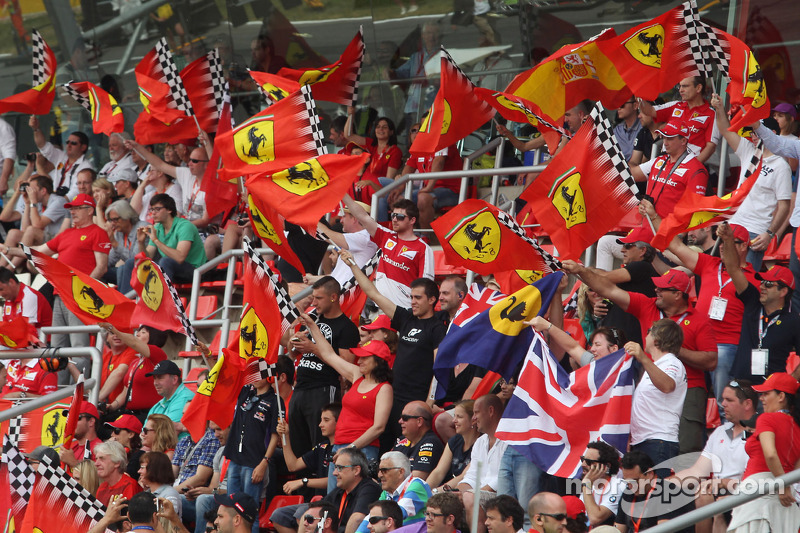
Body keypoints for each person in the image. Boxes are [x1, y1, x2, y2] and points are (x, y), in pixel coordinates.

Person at [563, 260, 715, 453]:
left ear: (677, 295)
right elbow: (608, 289)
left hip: (689, 389)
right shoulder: (647, 305)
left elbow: (711, 361)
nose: (656, 291)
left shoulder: (699, 320)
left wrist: (671, 347)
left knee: (685, 448)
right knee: (643, 447)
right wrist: (580, 271)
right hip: (648, 385)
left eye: (662, 289)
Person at [340, 248, 446, 440]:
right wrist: (352, 265)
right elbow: (373, 293)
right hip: (391, 394)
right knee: (384, 444)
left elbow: (439, 366)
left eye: (418, 298)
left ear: (432, 300)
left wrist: (429, 401)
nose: (412, 302)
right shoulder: (406, 319)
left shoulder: (437, 328)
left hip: (416, 399)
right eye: (411, 297)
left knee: (406, 448)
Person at [1, 193, 110, 365]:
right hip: (59, 294)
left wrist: (82, 290)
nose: (72, 212)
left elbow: (101, 266)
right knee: (57, 349)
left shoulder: (98, 233)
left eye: (77, 208)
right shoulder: (66, 233)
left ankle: (79, 390)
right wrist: (9, 250)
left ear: (90, 210)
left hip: (79, 297)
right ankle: (61, 389)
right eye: (71, 209)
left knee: (78, 347)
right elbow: (38, 251)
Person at [301, 313, 392, 491]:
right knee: (333, 500)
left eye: (365, 357)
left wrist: (350, 449)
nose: (360, 360)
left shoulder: (384, 388)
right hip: (341, 447)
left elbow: (379, 427)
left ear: (378, 362)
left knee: (353, 500)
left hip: (361, 450)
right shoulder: (357, 375)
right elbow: (328, 355)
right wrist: (313, 326)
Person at [711, 95, 791, 271]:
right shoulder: (749, 151)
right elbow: (725, 130)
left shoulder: (781, 166)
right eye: (754, 131)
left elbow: (784, 205)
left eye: (758, 131)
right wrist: (719, 109)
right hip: (733, 226)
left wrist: (769, 234)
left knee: (745, 280)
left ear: (773, 134)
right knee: (723, 275)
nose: (754, 135)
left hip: (755, 233)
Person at [285, 276, 360, 458]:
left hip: (324, 389)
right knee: (298, 448)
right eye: (313, 297)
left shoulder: (347, 327)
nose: (314, 302)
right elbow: (292, 351)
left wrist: (314, 349)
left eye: (319, 298)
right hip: (300, 387)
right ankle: (302, 485)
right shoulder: (313, 319)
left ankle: (319, 484)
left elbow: (346, 365)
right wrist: (294, 345)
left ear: (333, 297)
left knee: (320, 447)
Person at [718, 222, 800, 383]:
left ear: (783, 292)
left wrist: (789, 382)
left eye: (769, 284)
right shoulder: (752, 303)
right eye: (762, 282)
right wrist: (728, 240)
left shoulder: (793, 321)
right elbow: (733, 268)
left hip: (770, 392)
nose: (762, 287)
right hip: (741, 386)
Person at [673, 379, 756, 533]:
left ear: (747, 404)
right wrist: (665, 483)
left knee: (704, 494)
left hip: (746, 494)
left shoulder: (759, 434)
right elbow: (697, 472)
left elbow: (755, 483)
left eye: (729, 400)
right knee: (669, 494)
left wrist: (723, 483)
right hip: (717, 493)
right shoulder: (720, 432)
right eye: (723, 399)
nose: (723, 403)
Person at [729, 373, 800, 531]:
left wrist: (782, 486)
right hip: (786, 498)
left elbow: (770, 454)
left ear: (781, 396)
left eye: (766, 394)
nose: (761, 398)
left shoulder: (766, 419)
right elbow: (797, 470)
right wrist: (786, 486)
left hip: (758, 492)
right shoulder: (798, 426)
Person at [343, 195, 435, 308]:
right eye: (393, 215)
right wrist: (342, 194)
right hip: (377, 308)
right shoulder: (386, 235)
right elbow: (362, 217)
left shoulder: (424, 248)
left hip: (402, 309)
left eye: (400, 216)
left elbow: (426, 285)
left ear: (412, 220)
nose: (395, 219)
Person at [222, 371, 281, 532]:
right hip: (235, 459)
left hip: (254, 463)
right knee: (231, 509)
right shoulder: (245, 392)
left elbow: (276, 435)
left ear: (269, 376)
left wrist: (264, 462)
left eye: (258, 374)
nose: (254, 378)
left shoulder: (275, 401)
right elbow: (226, 378)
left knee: (249, 514)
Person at [624, 319, 688, 466]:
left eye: (648, 332)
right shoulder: (655, 366)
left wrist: (643, 358)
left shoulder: (672, 363)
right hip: (644, 441)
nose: (645, 337)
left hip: (659, 442)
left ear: (657, 339)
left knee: (657, 489)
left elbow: (667, 385)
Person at [120, 193, 207, 293]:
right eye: (151, 210)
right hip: (172, 269)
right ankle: (125, 304)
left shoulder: (185, 226)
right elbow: (148, 257)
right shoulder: (158, 228)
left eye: (157, 209)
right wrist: (141, 242)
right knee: (132, 263)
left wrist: (156, 241)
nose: (153, 213)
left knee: (165, 261)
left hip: (195, 270)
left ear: (169, 210)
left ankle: (163, 300)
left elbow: (180, 258)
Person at [271, 406, 338, 533]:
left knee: (301, 514)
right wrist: (285, 436)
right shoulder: (322, 447)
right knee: (278, 516)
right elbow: (293, 466)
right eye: (321, 420)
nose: (320, 424)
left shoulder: (343, 450)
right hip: (317, 503)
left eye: (326, 420)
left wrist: (303, 481)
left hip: (332, 504)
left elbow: (334, 480)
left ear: (339, 422)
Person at [127, 135, 213, 228]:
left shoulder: (213, 185)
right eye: (190, 160)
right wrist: (137, 147)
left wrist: (178, 226)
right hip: (183, 228)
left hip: (201, 232)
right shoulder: (186, 174)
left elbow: (205, 221)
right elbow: (160, 164)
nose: (189, 163)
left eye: (195, 161)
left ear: (207, 164)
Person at [628, 122, 708, 218]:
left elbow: (694, 210)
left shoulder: (696, 169)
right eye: (664, 137)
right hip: (647, 222)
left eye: (670, 138)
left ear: (683, 141)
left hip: (670, 229)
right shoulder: (659, 160)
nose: (665, 143)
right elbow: (631, 175)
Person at [639, 76, 719, 163]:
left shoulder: (712, 114)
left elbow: (711, 146)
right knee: (633, 173)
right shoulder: (675, 105)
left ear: (698, 88)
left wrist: (692, 167)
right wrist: (639, 95)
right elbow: (649, 111)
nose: (680, 90)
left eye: (685, 86)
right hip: (665, 160)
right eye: (680, 86)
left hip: (689, 163)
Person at [457, 394, 507, 533]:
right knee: (444, 501)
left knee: (471, 497)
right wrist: (459, 492)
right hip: (476, 493)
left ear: (491, 411)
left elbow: (502, 478)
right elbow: (472, 475)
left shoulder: (509, 440)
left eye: (476, 412)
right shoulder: (480, 442)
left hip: (501, 495)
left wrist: (471, 493)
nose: (473, 418)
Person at [100, 324, 168, 421]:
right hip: (130, 413)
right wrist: (111, 407)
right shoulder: (135, 361)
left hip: (150, 415)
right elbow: (126, 391)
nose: (138, 334)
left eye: (143, 332)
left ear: (154, 336)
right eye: (138, 331)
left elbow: (134, 343)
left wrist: (113, 329)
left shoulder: (157, 354)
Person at [613, 450, 694, 532]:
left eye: (635, 481)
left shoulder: (668, 492)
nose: (631, 486)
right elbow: (618, 528)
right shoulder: (628, 493)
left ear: (650, 474)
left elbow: (664, 530)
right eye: (627, 481)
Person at [2, 175, 68, 271]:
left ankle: (10, 269)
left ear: (43, 191)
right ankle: (1, 267)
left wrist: (33, 201)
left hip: (56, 240)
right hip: (43, 238)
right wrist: (28, 204)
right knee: (13, 233)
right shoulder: (38, 203)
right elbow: (24, 230)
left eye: (32, 189)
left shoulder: (58, 201)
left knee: (31, 230)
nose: (29, 192)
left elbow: (37, 225)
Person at [355, 452, 431, 533]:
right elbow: (371, 516)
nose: (379, 475)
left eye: (384, 470)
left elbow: (395, 514)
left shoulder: (417, 485)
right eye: (379, 470)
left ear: (400, 472)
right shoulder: (386, 492)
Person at [310, 201, 379, 287]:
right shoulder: (355, 240)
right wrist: (312, 279)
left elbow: (327, 235)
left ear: (354, 219)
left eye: (344, 216)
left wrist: (307, 218)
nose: (341, 221)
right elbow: (338, 277)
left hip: (345, 296)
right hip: (339, 293)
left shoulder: (365, 237)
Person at [29, 116, 94, 198]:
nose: (69, 145)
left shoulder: (86, 166)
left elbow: (75, 192)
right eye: (67, 142)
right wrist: (36, 129)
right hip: (55, 199)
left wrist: (58, 203)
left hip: (69, 204)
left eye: (73, 143)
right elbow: (43, 145)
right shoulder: (61, 156)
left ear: (83, 147)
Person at [324, 447, 382, 533]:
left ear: (356, 470)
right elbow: (317, 509)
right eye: (335, 468)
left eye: (339, 468)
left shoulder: (370, 488)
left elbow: (357, 519)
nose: (334, 473)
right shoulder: (340, 490)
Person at [527, 319, 625, 369]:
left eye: (598, 345)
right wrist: (547, 326)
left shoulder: (630, 371)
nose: (592, 349)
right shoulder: (593, 363)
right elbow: (573, 347)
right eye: (593, 344)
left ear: (614, 349)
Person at [426, 399, 478, 491]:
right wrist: (423, 490)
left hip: (464, 492)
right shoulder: (454, 440)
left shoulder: (481, 443)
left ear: (473, 420)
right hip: (447, 490)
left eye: (459, 417)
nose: (454, 420)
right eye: (454, 416)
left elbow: (463, 476)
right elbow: (439, 472)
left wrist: (435, 492)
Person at [393, 401, 445, 480]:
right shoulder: (401, 440)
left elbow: (415, 480)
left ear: (419, 421)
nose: (400, 421)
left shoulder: (431, 443)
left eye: (405, 418)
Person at [577, 441, 625, 527]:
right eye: (582, 459)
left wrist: (586, 485)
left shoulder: (619, 486)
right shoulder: (590, 485)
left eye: (589, 462)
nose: (583, 464)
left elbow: (595, 519)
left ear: (606, 466)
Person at [146, 359, 194, 439]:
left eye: (160, 378)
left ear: (174, 379)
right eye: (154, 378)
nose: (155, 383)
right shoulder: (158, 405)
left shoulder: (185, 399)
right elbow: (145, 433)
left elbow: (164, 434)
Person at [104, 199, 146, 286]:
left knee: (122, 269)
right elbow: (110, 260)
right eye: (110, 220)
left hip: (145, 273)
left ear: (127, 217)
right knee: (101, 271)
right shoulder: (119, 233)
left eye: (115, 219)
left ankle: (123, 298)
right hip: (128, 273)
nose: (113, 223)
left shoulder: (142, 228)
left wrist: (114, 243)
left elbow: (135, 261)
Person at [95, 440, 143, 506]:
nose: (96, 463)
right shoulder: (102, 487)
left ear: (117, 462)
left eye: (102, 459)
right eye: (96, 459)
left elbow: (126, 515)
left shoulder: (129, 485)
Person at [138, 451, 182, 518]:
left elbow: (167, 522)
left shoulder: (170, 495)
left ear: (154, 469)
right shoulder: (146, 493)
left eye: (142, 467)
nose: (139, 471)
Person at [60, 400, 103, 467]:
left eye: (76, 418)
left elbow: (98, 476)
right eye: (70, 418)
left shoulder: (101, 449)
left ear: (91, 421)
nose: (71, 422)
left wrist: (73, 462)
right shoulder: (72, 448)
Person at [106, 413, 145, 480]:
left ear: (131, 434)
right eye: (112, 431)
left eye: (117, 431)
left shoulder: (140, 456)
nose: (112, 434)